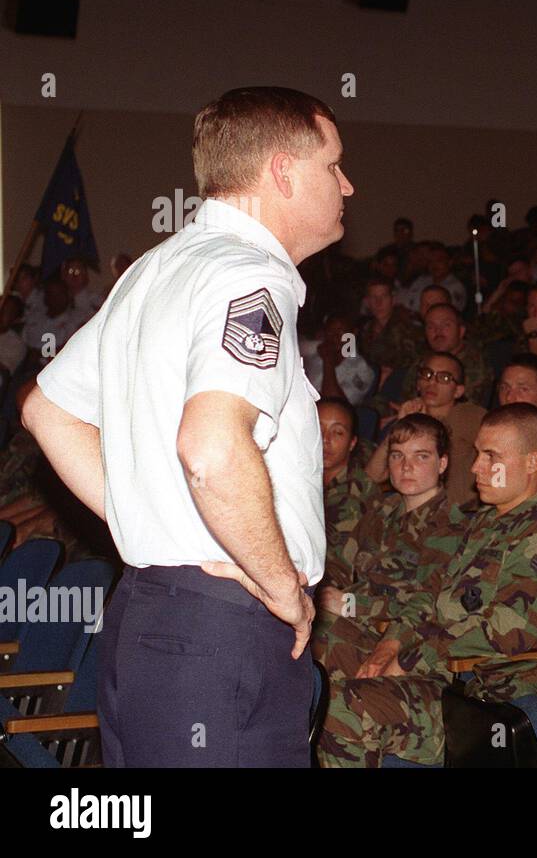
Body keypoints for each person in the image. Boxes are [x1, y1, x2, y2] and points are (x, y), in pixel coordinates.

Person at [22, 86, 353, 766]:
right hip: (220, 632)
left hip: (151, 614)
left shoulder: (157, 267)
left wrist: (152, 519)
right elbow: (211, 445)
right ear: (284, 172)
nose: (347, 185)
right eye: (334, 165)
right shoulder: (250, 278)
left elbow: (44, 410)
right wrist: (284, 588)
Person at [317, 404, 537, 767]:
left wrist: (409, 659)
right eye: (477, 455)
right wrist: (392, 643)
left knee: (345, 706)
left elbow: (506, 634)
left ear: (532, 462)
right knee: (317, 645)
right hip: (437, 668)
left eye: (491, 457)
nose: (475, 468)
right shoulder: (486, 521)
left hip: (478, 692)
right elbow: (429, 596)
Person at [314, 413, 459, 671]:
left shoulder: (450, 526)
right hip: (351, 624)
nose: (406, 466)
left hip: (394, 644)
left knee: (310, 641)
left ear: (442, 463)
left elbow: (426, 605)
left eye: (421, 456)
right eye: (397, 455)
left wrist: (349, 604)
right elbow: (339, 564)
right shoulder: (383, 509)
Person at [372, 351, 485, 507]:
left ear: (458, 390)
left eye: (444, 377)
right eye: (427, 374)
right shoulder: (411, 417)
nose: (432, 383)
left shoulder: (470, 416)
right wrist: (399, 426)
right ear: (418, 383)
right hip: (413, 511)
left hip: (458, 514)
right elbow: (372, 479)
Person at [319, 397, 378, 571]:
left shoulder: (358, 494)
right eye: (318, 428)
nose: (325, 440)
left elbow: (339, 568)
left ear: (352, 443)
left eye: (337, 432)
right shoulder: (290, 479)